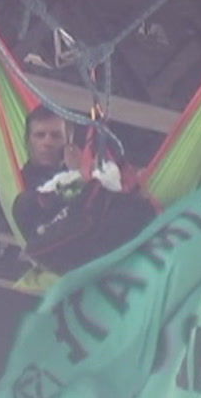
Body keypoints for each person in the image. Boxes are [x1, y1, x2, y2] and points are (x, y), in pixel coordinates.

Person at [12, 106, 157, 273]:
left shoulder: (84, 166)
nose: (47, 142)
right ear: (28, 141)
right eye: (40, 135)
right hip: (66, 246)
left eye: (55, 136)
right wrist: (80, 174)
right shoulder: (26, 184)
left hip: (102, 243)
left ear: (68, 142)